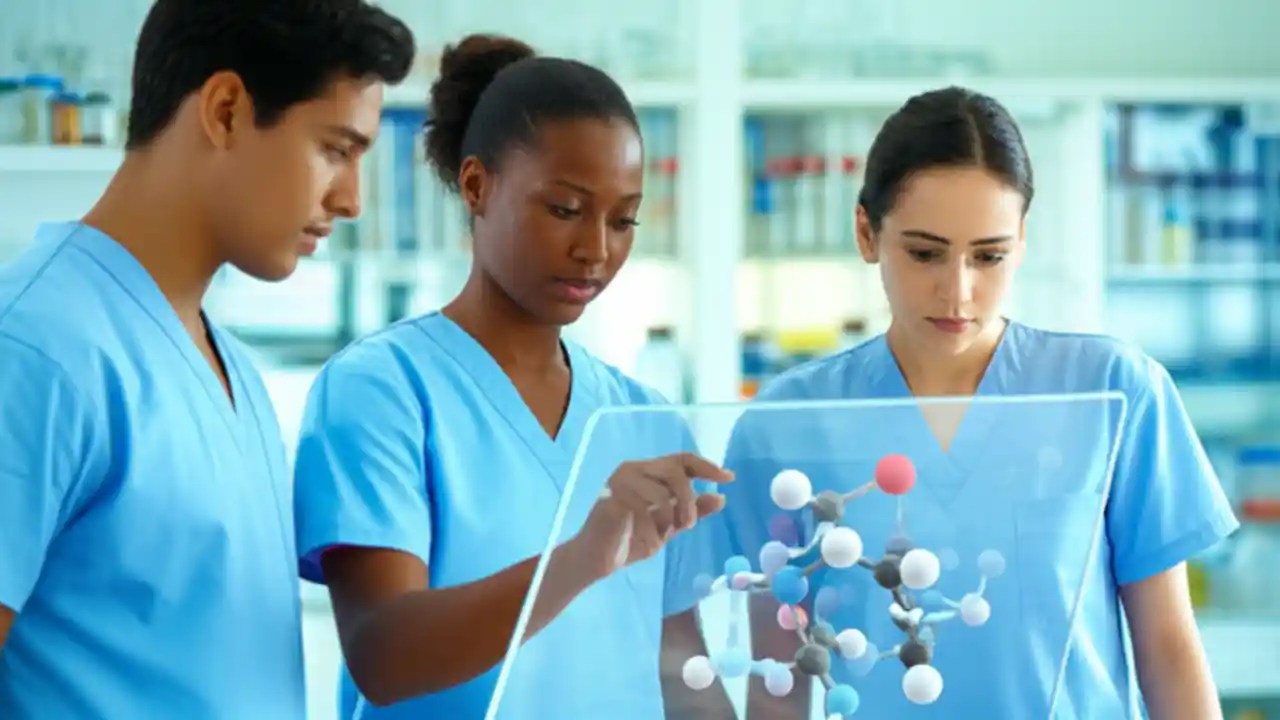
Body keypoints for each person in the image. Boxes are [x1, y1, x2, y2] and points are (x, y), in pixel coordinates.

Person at [718, 87, 1235, 719]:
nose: (958, 290)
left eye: (988, 256)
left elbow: (1168, 648)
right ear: (866, 231)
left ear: (1021, 240)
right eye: (925, 253)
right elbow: (779, 678)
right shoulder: (787, 423)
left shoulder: (1115, 393)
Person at [291, 34, 735, 720]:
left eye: (624, 220)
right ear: (477, 185)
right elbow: (385, 656)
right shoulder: (382, 391)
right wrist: (585, 554)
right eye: (564, 210)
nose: (596, 250)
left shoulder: (644, 420)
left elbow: (680, 670)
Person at [0, 2, 414, 718]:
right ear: (224, 110)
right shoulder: (34, 350)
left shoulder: (236, 373)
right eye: (336, 149)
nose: (351, 201)